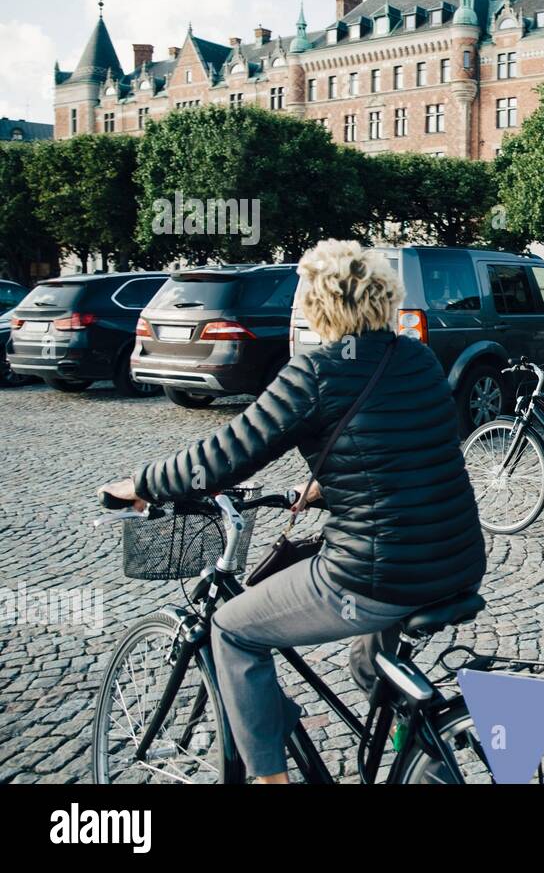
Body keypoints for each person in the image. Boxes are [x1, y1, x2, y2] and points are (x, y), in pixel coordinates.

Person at [98, 240, 486, 783]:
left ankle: (269, 779)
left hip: (376, 574)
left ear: (319, 306)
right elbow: (411, 446)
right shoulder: (414, 356)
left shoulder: (317, 371)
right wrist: (333, 484)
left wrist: (141, 485)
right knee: (368, 664)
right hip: (457, 559)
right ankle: (422, 753)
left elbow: (226, 455)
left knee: (231, 631)